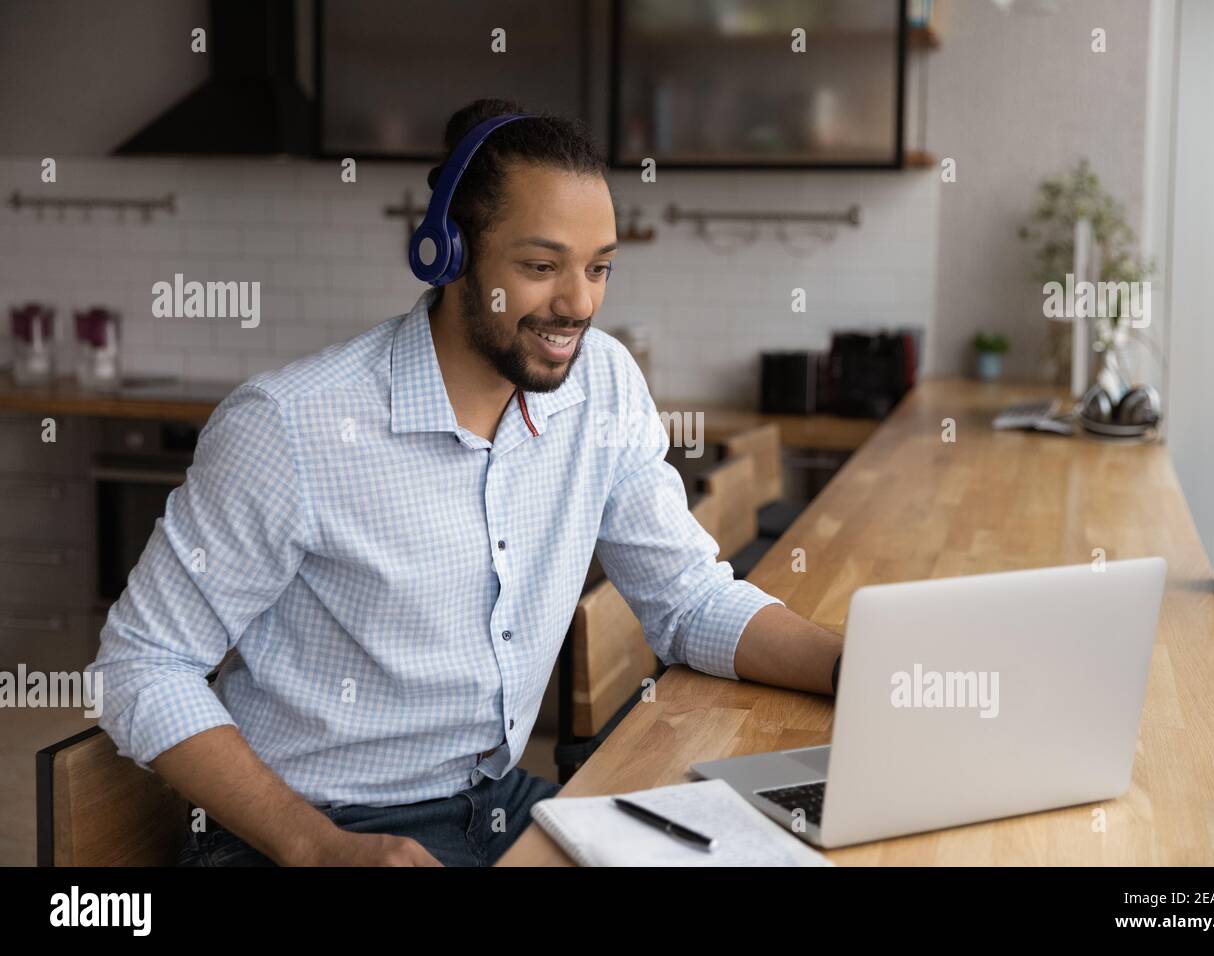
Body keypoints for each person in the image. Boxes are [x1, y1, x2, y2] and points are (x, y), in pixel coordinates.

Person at [90, 98, 843, 867]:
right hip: (311, 835)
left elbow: (688, 599)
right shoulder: (292, 424)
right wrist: (318, 847)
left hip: (493, 807)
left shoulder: (604, 385)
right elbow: (140, 666)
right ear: (447, 255)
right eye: (541, 267)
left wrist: (854, 670)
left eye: (598, 268)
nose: (579, 304)